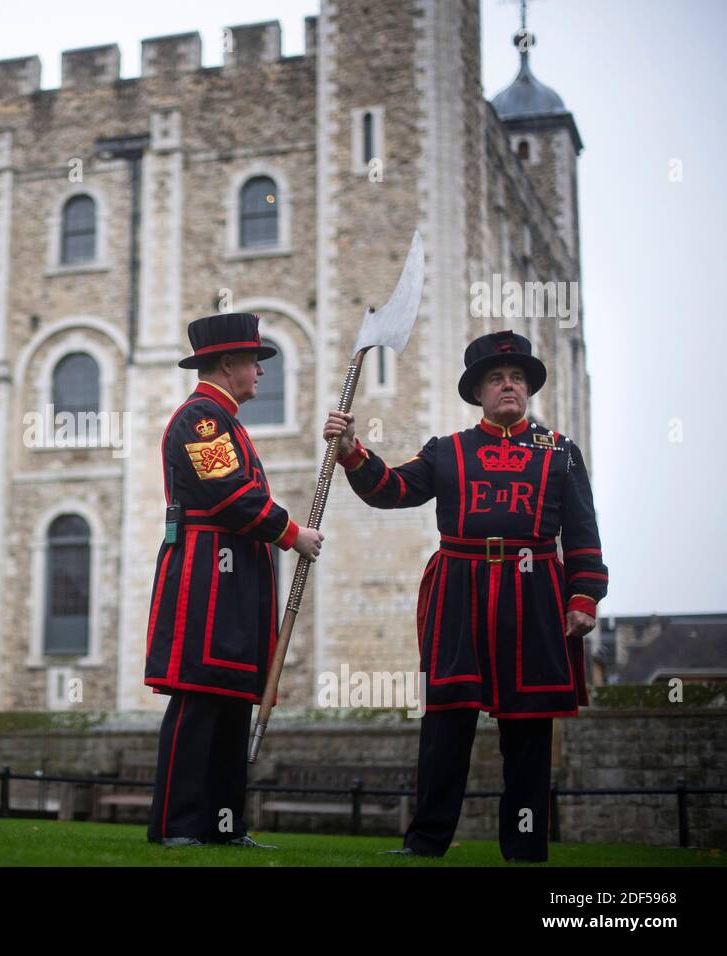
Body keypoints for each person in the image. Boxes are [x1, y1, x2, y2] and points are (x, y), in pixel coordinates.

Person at [322, 329, 607, 862]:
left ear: (528, 389)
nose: (509, 386)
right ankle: (426, 843)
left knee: (528, 729)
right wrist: (351, 452)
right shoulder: (447, 451)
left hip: (535, 593)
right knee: (446, 724)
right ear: (477, 392)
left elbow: (584, 535)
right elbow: (393, 490)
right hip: (459, 591)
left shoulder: (561, 452)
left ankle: (524, 847)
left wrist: (584, 597)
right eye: (497, 378)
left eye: (517, 378)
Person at [144, 312, 324, 848]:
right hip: (205, 572)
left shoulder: (225, 421)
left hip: (233, 571)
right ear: (228, 364)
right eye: (254, 363)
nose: (261, 374)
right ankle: (177, 826)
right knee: (200, 697)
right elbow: (228, 494)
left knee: (230, 698)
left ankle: (223, 826)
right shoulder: (202, 420)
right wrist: (292, 533)